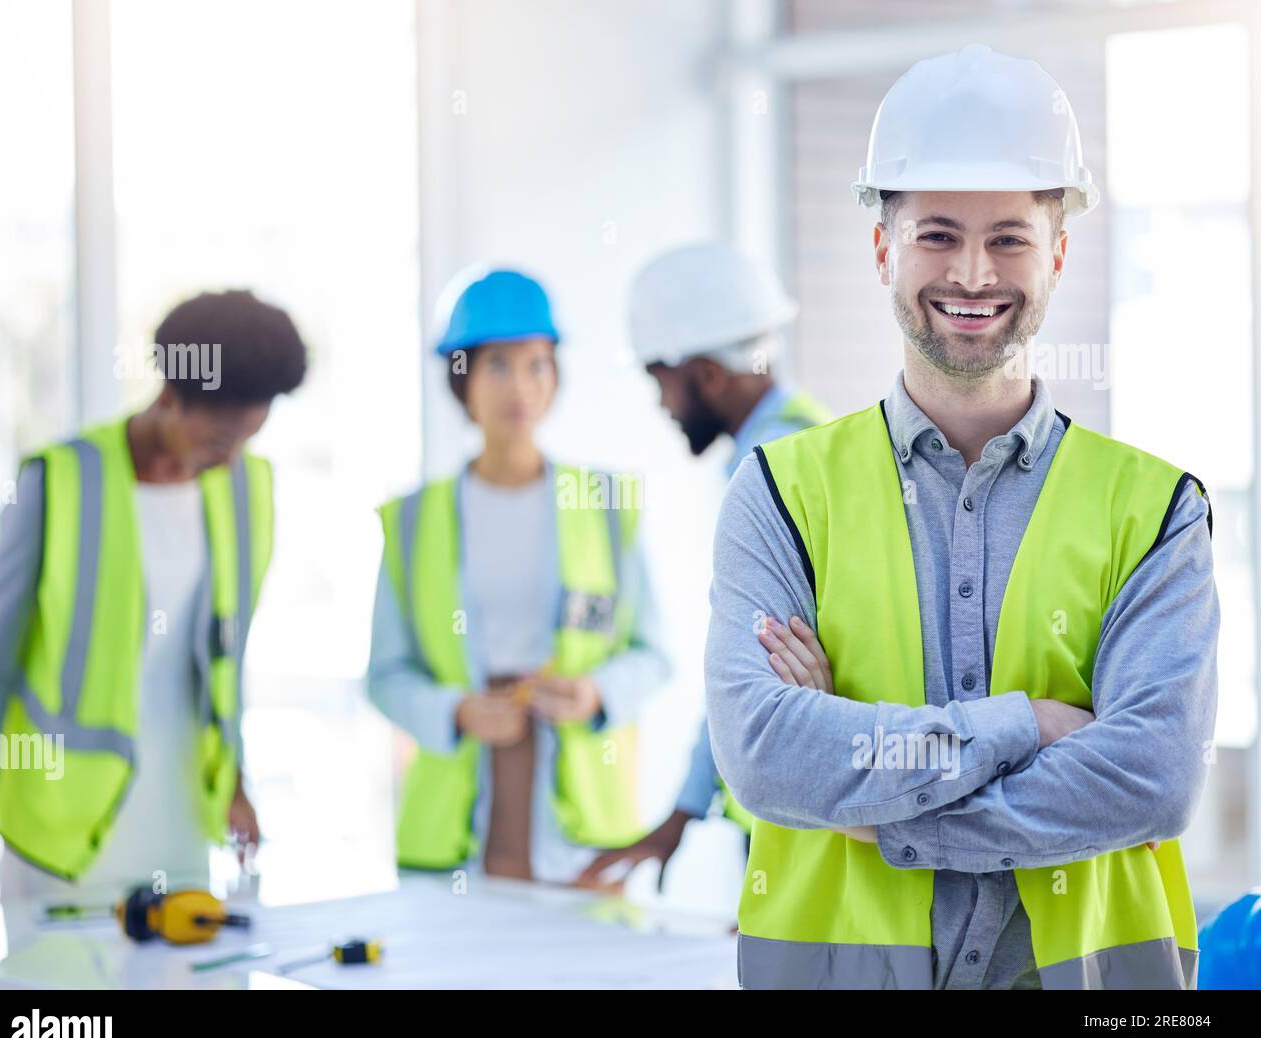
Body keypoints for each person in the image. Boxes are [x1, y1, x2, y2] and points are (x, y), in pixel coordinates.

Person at [704, 44, 1219, 989]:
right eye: (938, 234)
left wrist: (866, 787)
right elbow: (767, 756)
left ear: (1057, 252)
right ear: (883, 248)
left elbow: (1152, 776)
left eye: (1010, 237)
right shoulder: (780, 491)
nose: (974, 275)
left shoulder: (1157, 512)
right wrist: (1029, 722)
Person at [0, 289, 306, 910]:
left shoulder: (246, 487)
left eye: (246, 441)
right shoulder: (60, 480)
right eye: (217, 442)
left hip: (181, 813)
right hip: (58, 827)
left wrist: (237, 781)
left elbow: (224, 660)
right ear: (169, 399)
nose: (230, 462)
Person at [366, 267, 670, 885]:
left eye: (538, 364)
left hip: (585, 822)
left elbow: (653, 654)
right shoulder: (413, 520)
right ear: (462, 378)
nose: (521, 387)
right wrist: (454, 711)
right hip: (457, 821)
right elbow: (384, 674)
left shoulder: (607, 505)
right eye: (498, 365)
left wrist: (596, 693)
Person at [578, 243, 830, 887]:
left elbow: (744, 673)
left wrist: (682, 813)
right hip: (812, 806)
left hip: (802, 820)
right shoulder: (818, 444)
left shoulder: (769, 471)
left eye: (660, 380)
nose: (662, 405)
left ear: (708, 376)